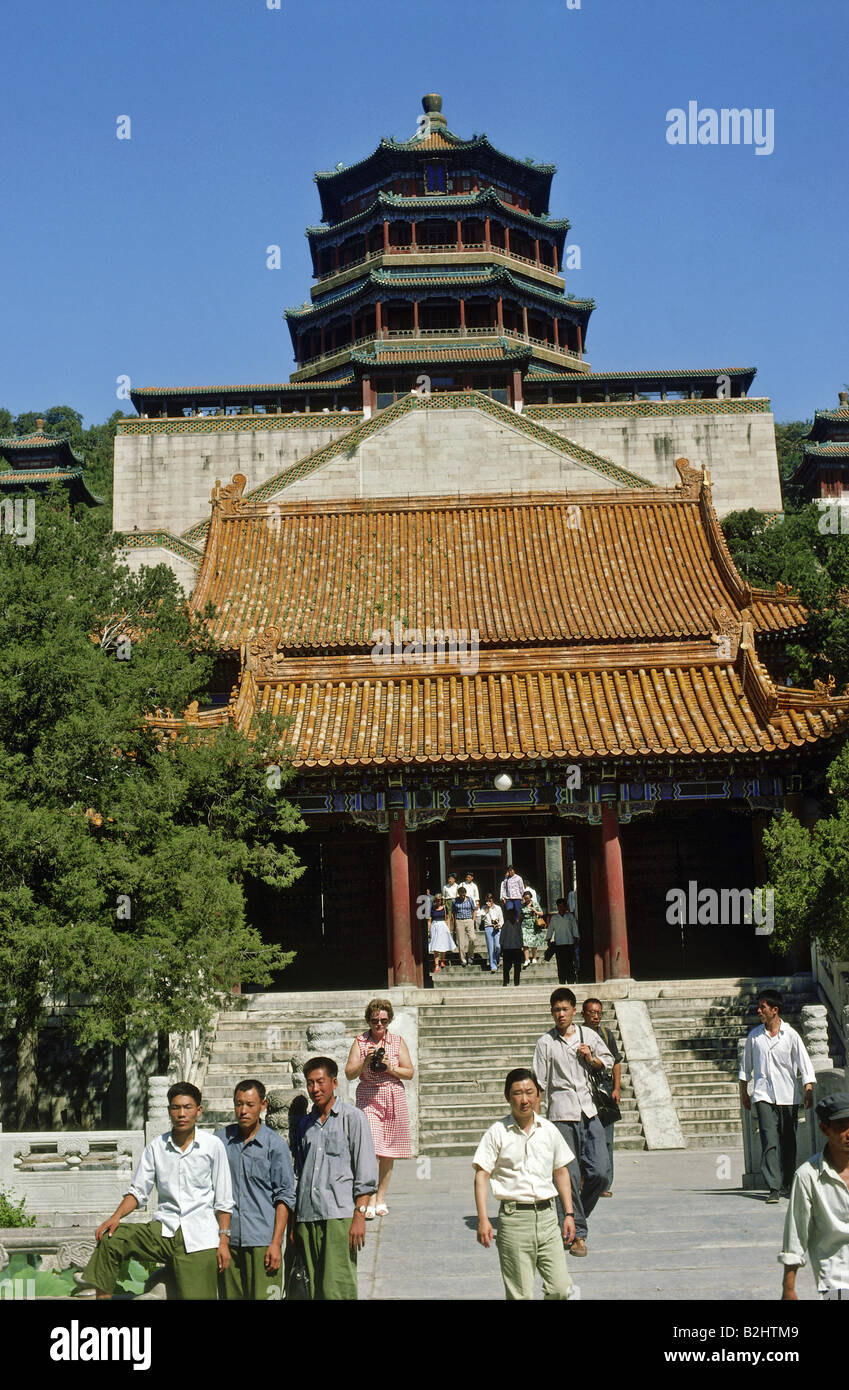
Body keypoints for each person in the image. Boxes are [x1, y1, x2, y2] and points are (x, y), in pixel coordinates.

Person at [81, 1082, 233, 1300]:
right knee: (112, 1238)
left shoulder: (212, 1146)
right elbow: (138, 1191)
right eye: (175, 1108)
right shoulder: (157, 1146)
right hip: (163, 1230)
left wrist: (223, 1242)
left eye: (187, 1107)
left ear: (198, 1111)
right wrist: (115, 1216)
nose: (181, 1114)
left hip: (199, 1237)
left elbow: (224, 1200)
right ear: (169, 1111)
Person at [473, 1068, 576, 1300]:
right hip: (514, 1220)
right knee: (520, 1295)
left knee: (560, 1288)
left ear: (538, 1095)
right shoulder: (497, 1132)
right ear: (507, 1097)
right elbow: (481, 1175)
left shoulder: (549, 1130)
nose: (524, 1099)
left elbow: (561, 1170)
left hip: (549, 1218)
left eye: (530, 1092)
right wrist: (483, 1219)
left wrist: (568, 1213)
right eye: (517, 1093)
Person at [533, 988, 613, 1257]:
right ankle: (577, 1234)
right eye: (556, 1010)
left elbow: (609, 1060)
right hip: (561, 1116)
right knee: (569, 1176)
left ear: (574, 1011)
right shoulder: (546, 1042)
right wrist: (533, 1121)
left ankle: (574, 1218)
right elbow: (539, 1083)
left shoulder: (587, 1035)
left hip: (589, 1111)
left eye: (565, 1009)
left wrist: (591, 1058)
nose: (560, 1014)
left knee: (600, 1173)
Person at [292, 1057, 378, 1300]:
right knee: (311, 1289)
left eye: (320, 1082)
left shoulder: (353, 1118)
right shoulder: (305, 1125)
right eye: (310, 1083)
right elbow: (299, 1173)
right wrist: (293, 1221)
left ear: (334, 1082)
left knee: (337, 1289)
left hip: (338, 1216)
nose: (315, 1089)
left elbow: (366, 1172)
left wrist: (359, 1216)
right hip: (307, 1217)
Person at [215, 1078, 295, 1300]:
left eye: (250, 1105)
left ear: (264, 1105)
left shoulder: (274, 1145)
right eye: (238, 1104)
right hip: (229, 1240)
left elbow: (284, 1197)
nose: (243, 1111)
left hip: (263, 1241)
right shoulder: (220, 1140)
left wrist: (276, 1243)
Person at [739, 989, 816, 1202]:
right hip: (763, 1095)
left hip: (788, 1096)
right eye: (759, 1007)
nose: (759, 1011)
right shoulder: (754, 1037)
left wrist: (808, 1089)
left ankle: (788, 1183)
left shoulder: (791, 1035)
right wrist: (744, 1093)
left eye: (763, 1007)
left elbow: (804, 1064)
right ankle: (773, 1186)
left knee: (788, 1141)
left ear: (775, 1010)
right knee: (769, 1139)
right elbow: (745, 1069)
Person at [345, 998, 414, 1218]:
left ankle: (382, 1197)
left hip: (393, 1097)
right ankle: (371, 1197)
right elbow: (349, 1073)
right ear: (369, 1020)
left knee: (389, 1152)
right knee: (372, 1148)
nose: (379, 1024)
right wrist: (366, 1061)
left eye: (383, 1020)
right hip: (369, 1096)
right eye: (375, 1020)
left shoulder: (396, 1041)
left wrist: (389, 1067)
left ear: (389, 1020)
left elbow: (409, 1072)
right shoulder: (360, 1042)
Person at [780, 1091, 849, 1300]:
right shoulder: (808, 1175)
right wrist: (788, 1288)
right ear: (824, 1129)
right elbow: (796, 1233)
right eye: (841, 1126)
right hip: (838, 1281)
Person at [581, 998, 621, 1197]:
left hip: (604, 1091)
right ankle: (584, 1181)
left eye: (599, 1013)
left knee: (606, 1139)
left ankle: (605, 1183)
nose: (596, 1016)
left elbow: (616, 1062)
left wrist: (616, 1088)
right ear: (583, 1014)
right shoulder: (577, 1035)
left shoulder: (606, 1034)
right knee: (584, 1139)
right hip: (584, 1091)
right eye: (591, 1013)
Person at [546, 897, 580, 984]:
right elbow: (550, 929)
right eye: (559, 906)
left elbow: (574, 928)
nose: (560, 908)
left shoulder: (570, 916)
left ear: (565, 907)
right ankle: (562, 980)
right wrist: (548, 939)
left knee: (569, 964)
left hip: (569, 943)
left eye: (562, 906)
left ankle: (571, 980)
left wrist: (576, 937)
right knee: (560, 964)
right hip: (559, 944)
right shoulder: (554, 918)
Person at [428, 892, 455, 972]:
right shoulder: (432, 908)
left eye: (440, 900)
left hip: (443, 926)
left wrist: (449, 928)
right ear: (435, 900)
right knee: (435, 946)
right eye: (437, 900)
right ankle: (436, 965)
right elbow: (429, 920)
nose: (438, 901)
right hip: (435, 926)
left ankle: (442, 960)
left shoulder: (444, 907)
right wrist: (429, 931)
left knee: (443, 944)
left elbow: (447, 918)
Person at [520, 889, 546, 967]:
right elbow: (520, 915)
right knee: (525, 942)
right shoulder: (522, 905)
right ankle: (526, 959)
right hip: (524, 925)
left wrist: (535, 911)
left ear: (530, 897)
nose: (526, 900)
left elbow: (541, 913)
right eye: (525, 898)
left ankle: (534, 957)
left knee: (533, 942)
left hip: (533, 924)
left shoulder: (535, 904)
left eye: (528, 898)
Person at [452, 884, 477, 966]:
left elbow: (474, 909)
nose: (463, 896)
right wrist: (454, 923)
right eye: (461, 895)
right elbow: (453, 912)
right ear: (458, 894)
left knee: (472, 938)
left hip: (469, 920)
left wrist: (473, 920)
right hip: (459, 920)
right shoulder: (455, 901)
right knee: (461, 942)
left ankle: (470, 955)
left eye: (464, 895)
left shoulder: (469, 900)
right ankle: (463, 959)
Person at [479, 893, 504, 973]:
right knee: (491, 948)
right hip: (488, 927)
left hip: (497, 928)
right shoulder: (483, 908)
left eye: (490, 900)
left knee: (498, 946)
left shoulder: (498, 908)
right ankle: (493, 966)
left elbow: (501, 919)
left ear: (493, 899)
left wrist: (499, 925)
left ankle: (496, 958)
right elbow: (481, 918)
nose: (489, 901)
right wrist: (487, 909)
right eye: (487, 900)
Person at [500, 907, 524, 987]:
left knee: (517, 967)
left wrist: (521, 945)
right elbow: (501, 937)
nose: (511, 917)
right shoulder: (505, 925)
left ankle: (516, 982)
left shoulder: (518, 925)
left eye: (513, 915)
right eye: (510, 915)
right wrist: (502, 947)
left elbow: (521, 936)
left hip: (517, 948)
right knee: (506, 967)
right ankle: (505, 981)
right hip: (507, 949)